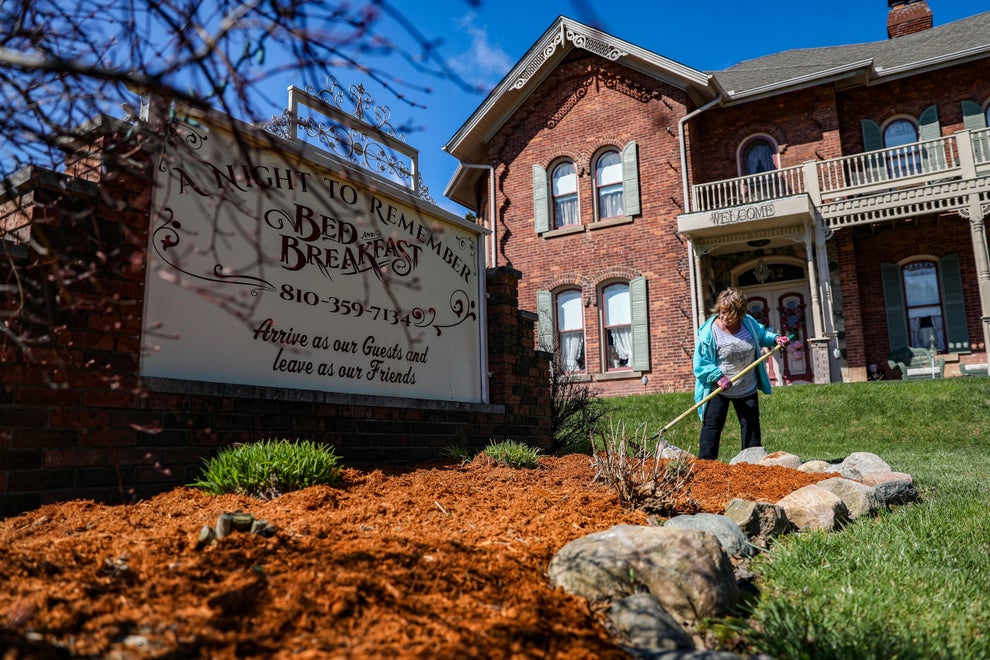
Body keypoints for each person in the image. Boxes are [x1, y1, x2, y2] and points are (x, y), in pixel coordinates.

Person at [693, 288, 789, 460]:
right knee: (712, 426)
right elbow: (700, 364)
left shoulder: (748, 323)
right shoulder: (709, 332)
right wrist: (718, 377)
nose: (723, 317)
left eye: (728, 314)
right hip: (718, 389)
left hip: (746, 387)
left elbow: (762, 335)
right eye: (721, 312)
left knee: (751, 426)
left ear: (739, 314)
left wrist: (775, 339)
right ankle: (705, 467)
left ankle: (751, 464)